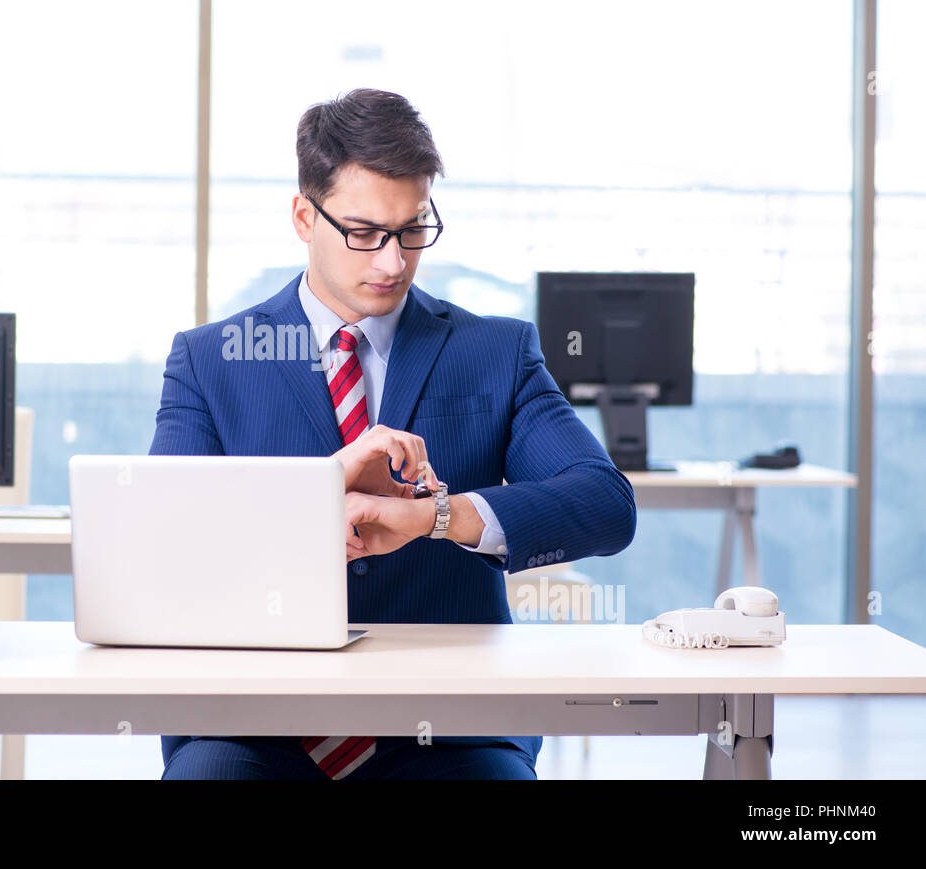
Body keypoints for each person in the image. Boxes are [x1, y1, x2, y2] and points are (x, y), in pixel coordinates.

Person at [149, 87, 636, 779]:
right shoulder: (210, 361)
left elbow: (604, 504)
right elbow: (166, 547)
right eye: (364, 232)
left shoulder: (495, 351)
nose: (392, 261)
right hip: (255, 728)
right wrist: (321, 490)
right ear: (301, 215)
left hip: (456, 730)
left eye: (412, 229)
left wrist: (434, 516)